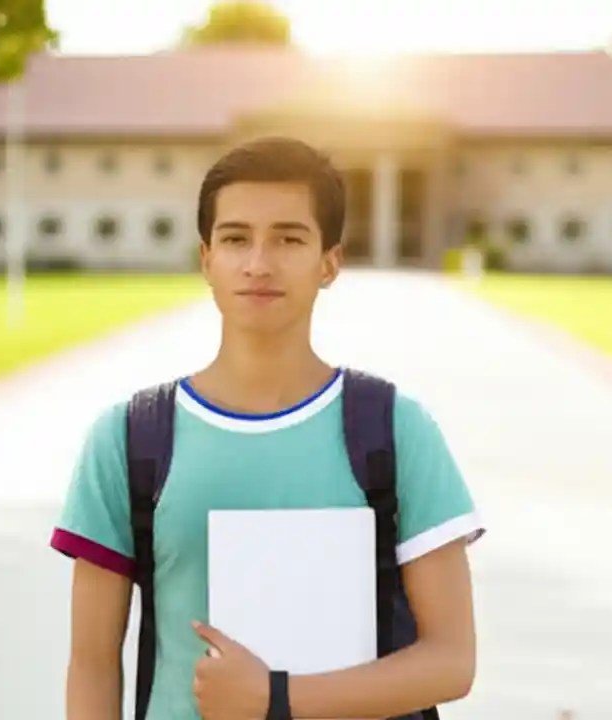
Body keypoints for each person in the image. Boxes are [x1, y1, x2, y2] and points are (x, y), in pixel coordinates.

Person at [50, 136, 483, 719]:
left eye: (288, 238)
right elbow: (92, 665)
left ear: (329, 263)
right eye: (235, 239)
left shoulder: (395, 429)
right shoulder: (129, 439)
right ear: (206, 259)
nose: (258, 263)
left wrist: (275, 699)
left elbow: (451, 662)